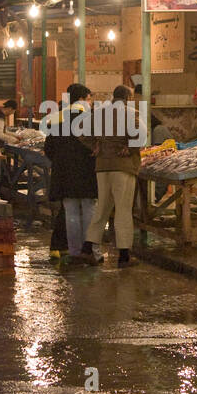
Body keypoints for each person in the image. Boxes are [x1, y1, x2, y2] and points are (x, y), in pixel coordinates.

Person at [79, 84, 142, 269]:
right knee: (123, 210)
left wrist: (94, 145)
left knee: (102, 209)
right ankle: (124, 256)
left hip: (102, 166)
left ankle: (87, 248)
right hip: (122, 167)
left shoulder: (99, 113)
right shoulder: (131, 113)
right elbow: (139, 135)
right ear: (128, 98)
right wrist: (129, 147)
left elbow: (81, 129)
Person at [46, 84, 99, 267]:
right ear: (84, 97)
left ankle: (75, 251)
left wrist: (61, 162)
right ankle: (90, 251)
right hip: (87, 171)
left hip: (64, 173)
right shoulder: (91, 116)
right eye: (90, 98)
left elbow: (49, 148)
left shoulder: (56, 117)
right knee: (90, 210)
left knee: (71, 213)